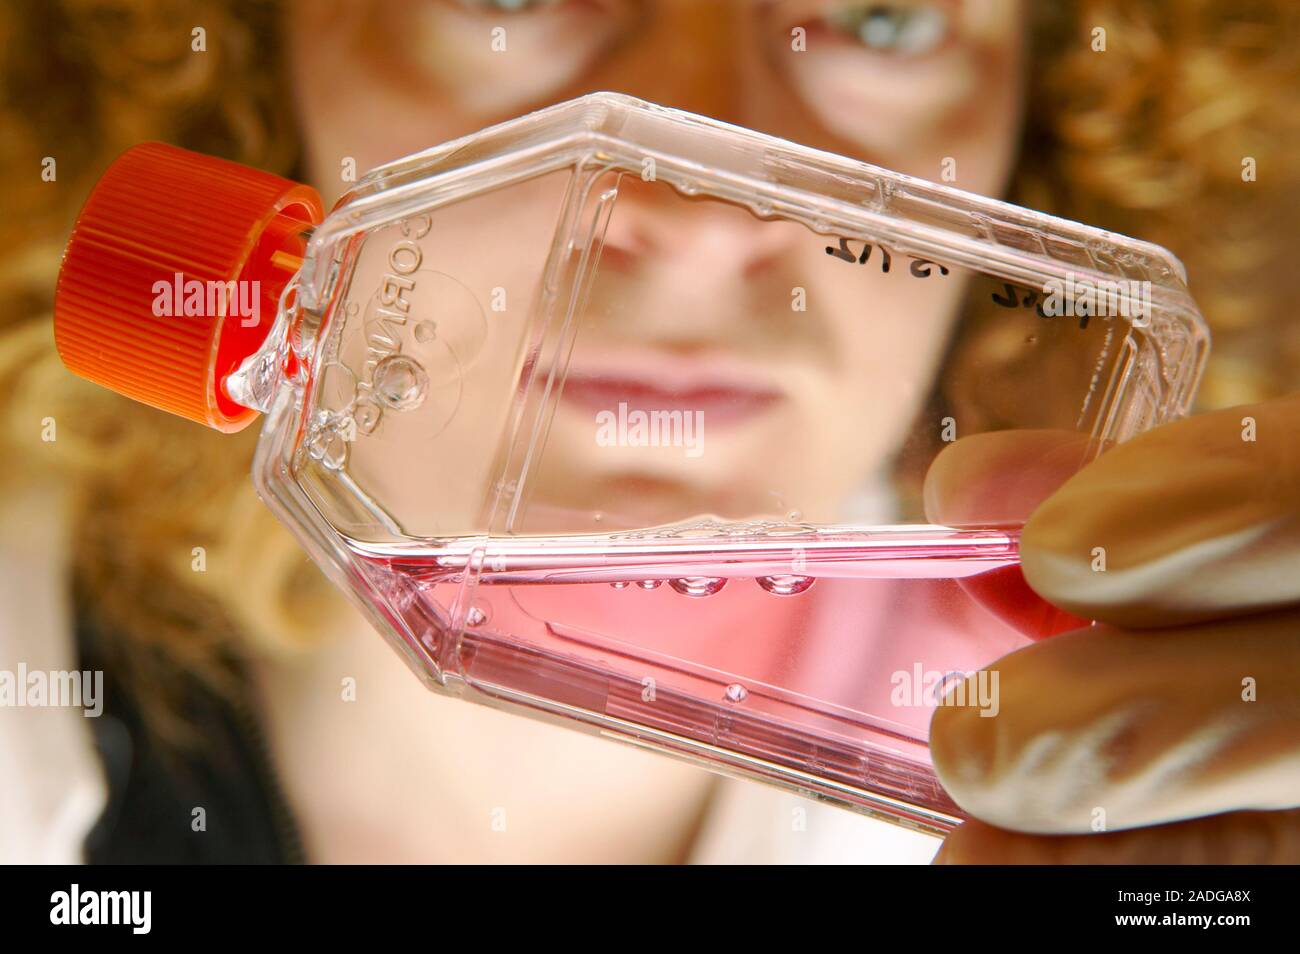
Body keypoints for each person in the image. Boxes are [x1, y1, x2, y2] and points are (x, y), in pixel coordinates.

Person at [1, 0, 1296, 863]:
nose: (696, 200)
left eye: (880, 14)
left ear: (1039, 120)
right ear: (248, 42)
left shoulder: (1132, 759)